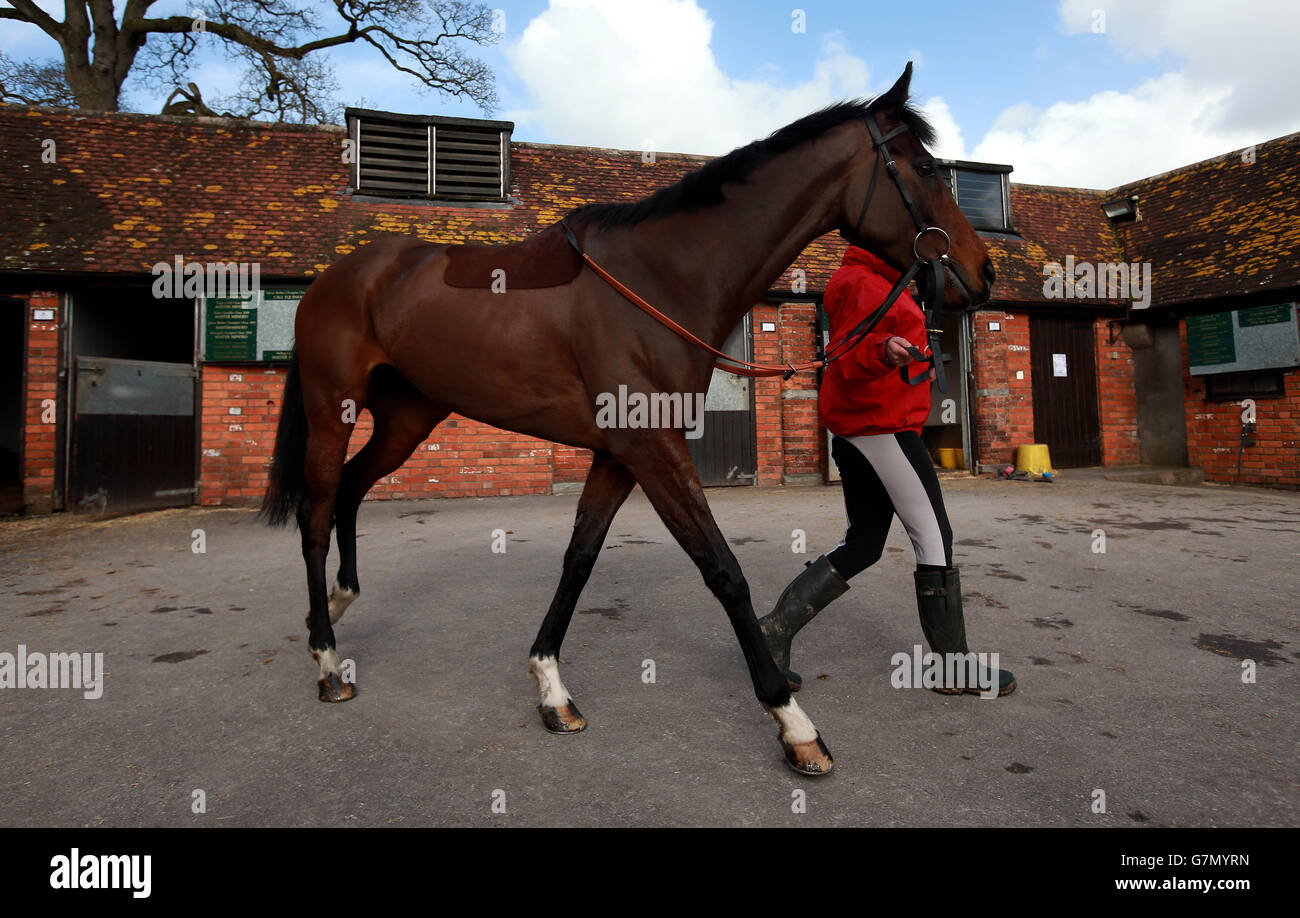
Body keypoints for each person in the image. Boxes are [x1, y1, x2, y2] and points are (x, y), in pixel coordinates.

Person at [758, 245, 1015, 697]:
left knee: (864, 545)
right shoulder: (860, 281)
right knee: (934, 537)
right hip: (882, 428)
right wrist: (882, 352)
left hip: (873, 426)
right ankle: (952, 669)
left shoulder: (885, 279)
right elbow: (842, 355)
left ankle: (772, 632)